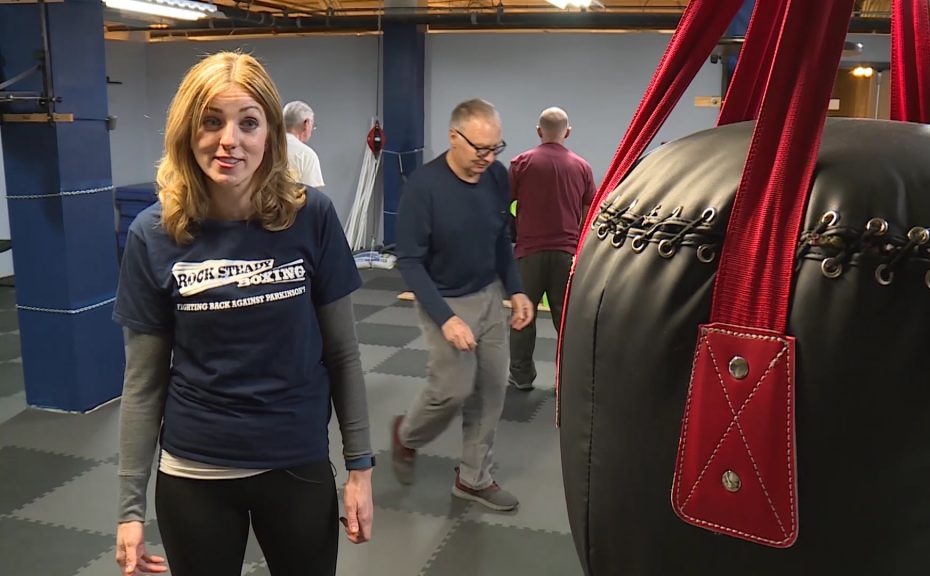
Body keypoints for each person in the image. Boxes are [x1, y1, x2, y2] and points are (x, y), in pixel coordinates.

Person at [112, 52, 374, 576]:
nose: (229, 139)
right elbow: (143, 383)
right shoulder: (153, 235)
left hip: (295, 460)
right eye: (212, 121)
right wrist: (129, 510)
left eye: (248, 123)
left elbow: (342, 354)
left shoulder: (312, 218)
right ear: (188, 130)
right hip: (194, 471)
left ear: (270, 137)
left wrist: (360, 468)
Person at [393, 98, 534, 512]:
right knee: (452, 390)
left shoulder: (496, 179)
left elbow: (500, 241)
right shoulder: (424, 188)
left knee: (491, 390)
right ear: (454, 137)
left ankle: (473, 478)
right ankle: (407, 435)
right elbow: (410, 262)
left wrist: (517, 289)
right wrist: (447, 319)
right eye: (480, 149)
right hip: (443, 299)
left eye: (496, 149)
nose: (488, 159)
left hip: (488, 296)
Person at [507, 107, 596, 391]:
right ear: (567, 133)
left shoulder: (521, 163)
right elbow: (589, 208)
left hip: (528, 253)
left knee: (523, 315)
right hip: (566, 254)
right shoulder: (582, 166)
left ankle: (521, 377)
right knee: (566, 320)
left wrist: (514, 229)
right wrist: (578, 240)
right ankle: (568, 381)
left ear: (538, 131)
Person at [283, 100, 325, 187]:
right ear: (306, 124)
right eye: (313, 126)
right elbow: (313, 196)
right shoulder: (307, 155)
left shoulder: (265, 148)